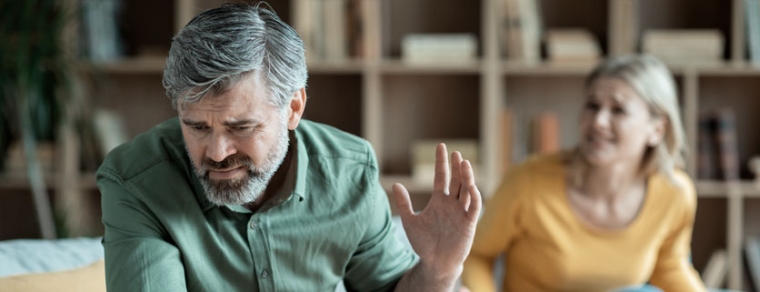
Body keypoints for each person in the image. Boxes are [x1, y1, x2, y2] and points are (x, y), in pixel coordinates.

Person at [97, 3, 482, 291]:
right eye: (196, 126)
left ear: (294, 107)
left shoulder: (349, 172)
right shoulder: (136, 182)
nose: (216, 152)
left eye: (241, 126)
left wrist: (437, 269)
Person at [461, 55, 706, 292]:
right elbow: (477, 254)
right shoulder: (528, 181)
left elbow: (670, 267)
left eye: (618, 110)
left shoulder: (675, 193)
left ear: (657, 129)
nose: (598, 120)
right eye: (592, 105)